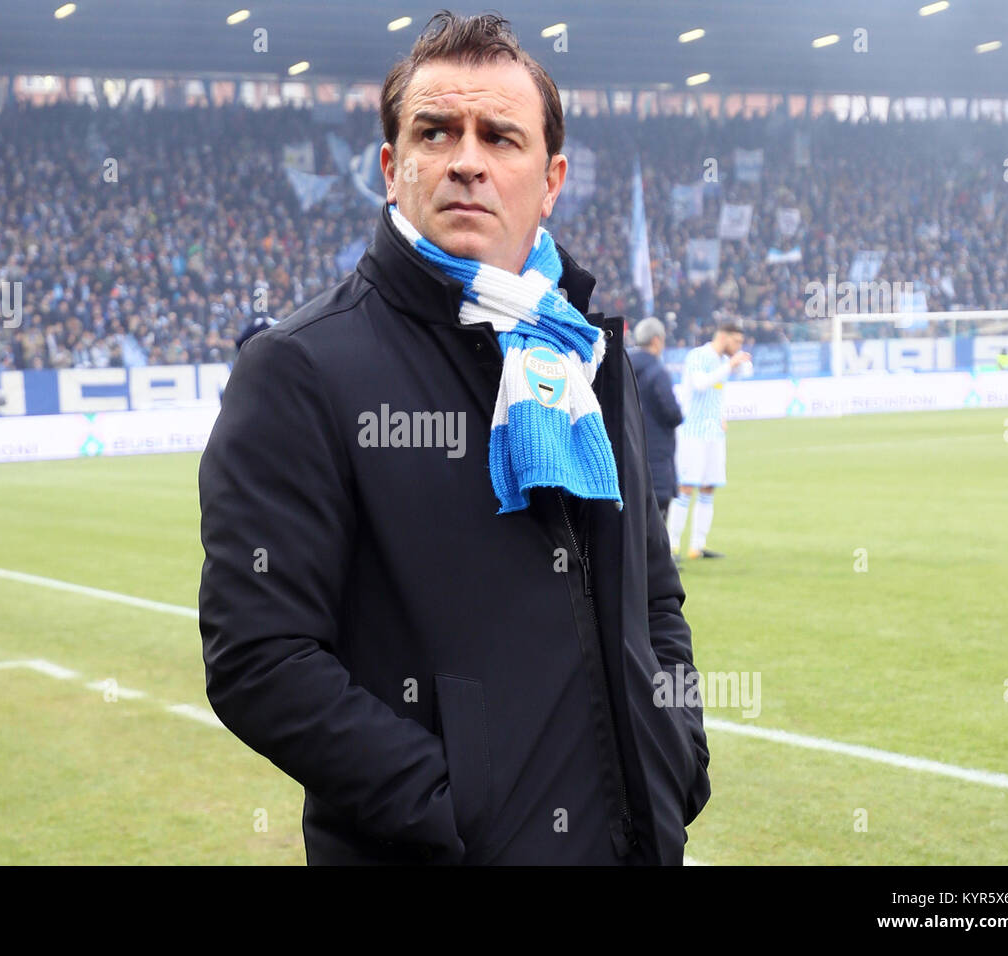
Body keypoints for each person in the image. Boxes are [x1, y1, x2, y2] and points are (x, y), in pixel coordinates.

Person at [198, 11, 709, 865]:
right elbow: (260, 657)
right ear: (395, 170)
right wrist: (457, 812)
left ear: (550, 180)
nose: (466, 159)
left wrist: (676, 752)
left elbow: (655, 600)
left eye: (500, 137)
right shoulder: (302, 369)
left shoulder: (586, 351)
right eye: (436, 132)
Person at [667, 320, 751, 560]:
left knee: (708, 487)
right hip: (692, 431)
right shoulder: (698, 356)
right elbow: (701, 385)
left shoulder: (725, 360)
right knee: (685, 487)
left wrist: (721, 415)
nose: (738, 346)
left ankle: (697, 547)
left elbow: (736, 378)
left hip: (714, 433)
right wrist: (730, 365)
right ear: (724, 337)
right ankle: (672, 546)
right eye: (736, 341)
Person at [627, 317, 684, 526]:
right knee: (656, 528)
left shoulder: (622, 367)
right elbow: (672, 413)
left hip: (627, 456)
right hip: (657, 457)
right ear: (657, 340)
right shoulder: (657, 372)